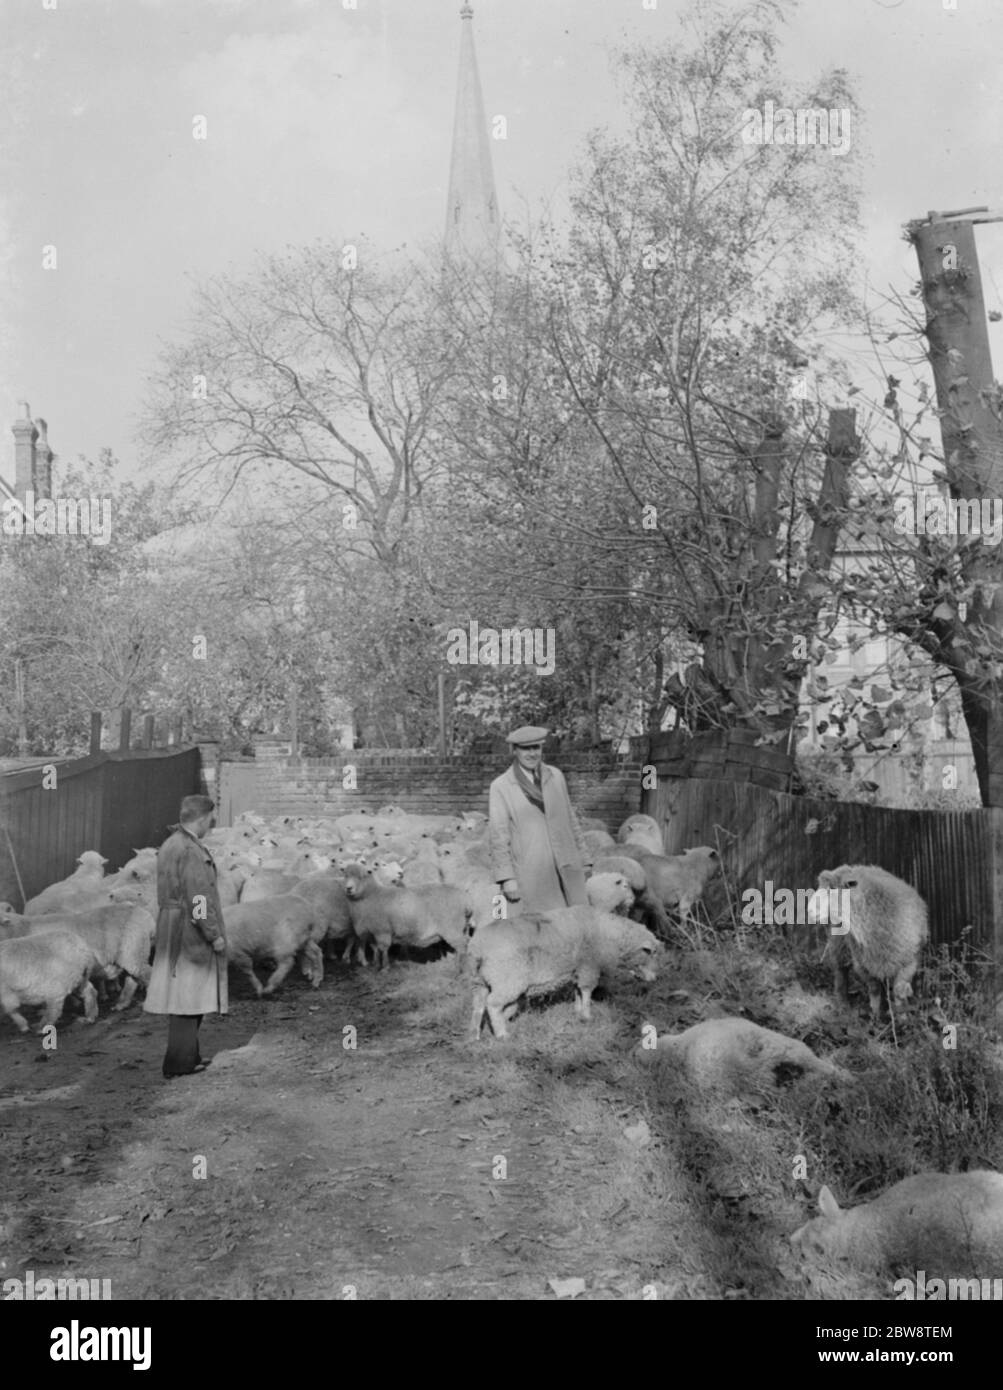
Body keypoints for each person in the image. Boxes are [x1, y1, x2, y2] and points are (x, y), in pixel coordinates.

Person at [144, 794, 228, 1078]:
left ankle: (188, 1057)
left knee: (183, 993)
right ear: (202, 818)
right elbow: (198, 897)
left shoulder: (170, 844)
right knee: (188, 995)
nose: (211, 825)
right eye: (211, 820)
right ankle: (179, 1063)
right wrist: (213, 933)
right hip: (189, 928)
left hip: (171, 922)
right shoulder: (191, 850)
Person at [488, 725, 591, 915]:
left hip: (566, 862)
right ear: (515, 751)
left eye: (536, 747)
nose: (532, 753)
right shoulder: (501, 786)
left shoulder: (556, 776)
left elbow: (570, 818)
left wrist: (584, 859)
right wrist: (506, 878)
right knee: (543, 927)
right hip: (534, 868)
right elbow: (498, 837)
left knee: (575, 923)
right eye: (525, 748)